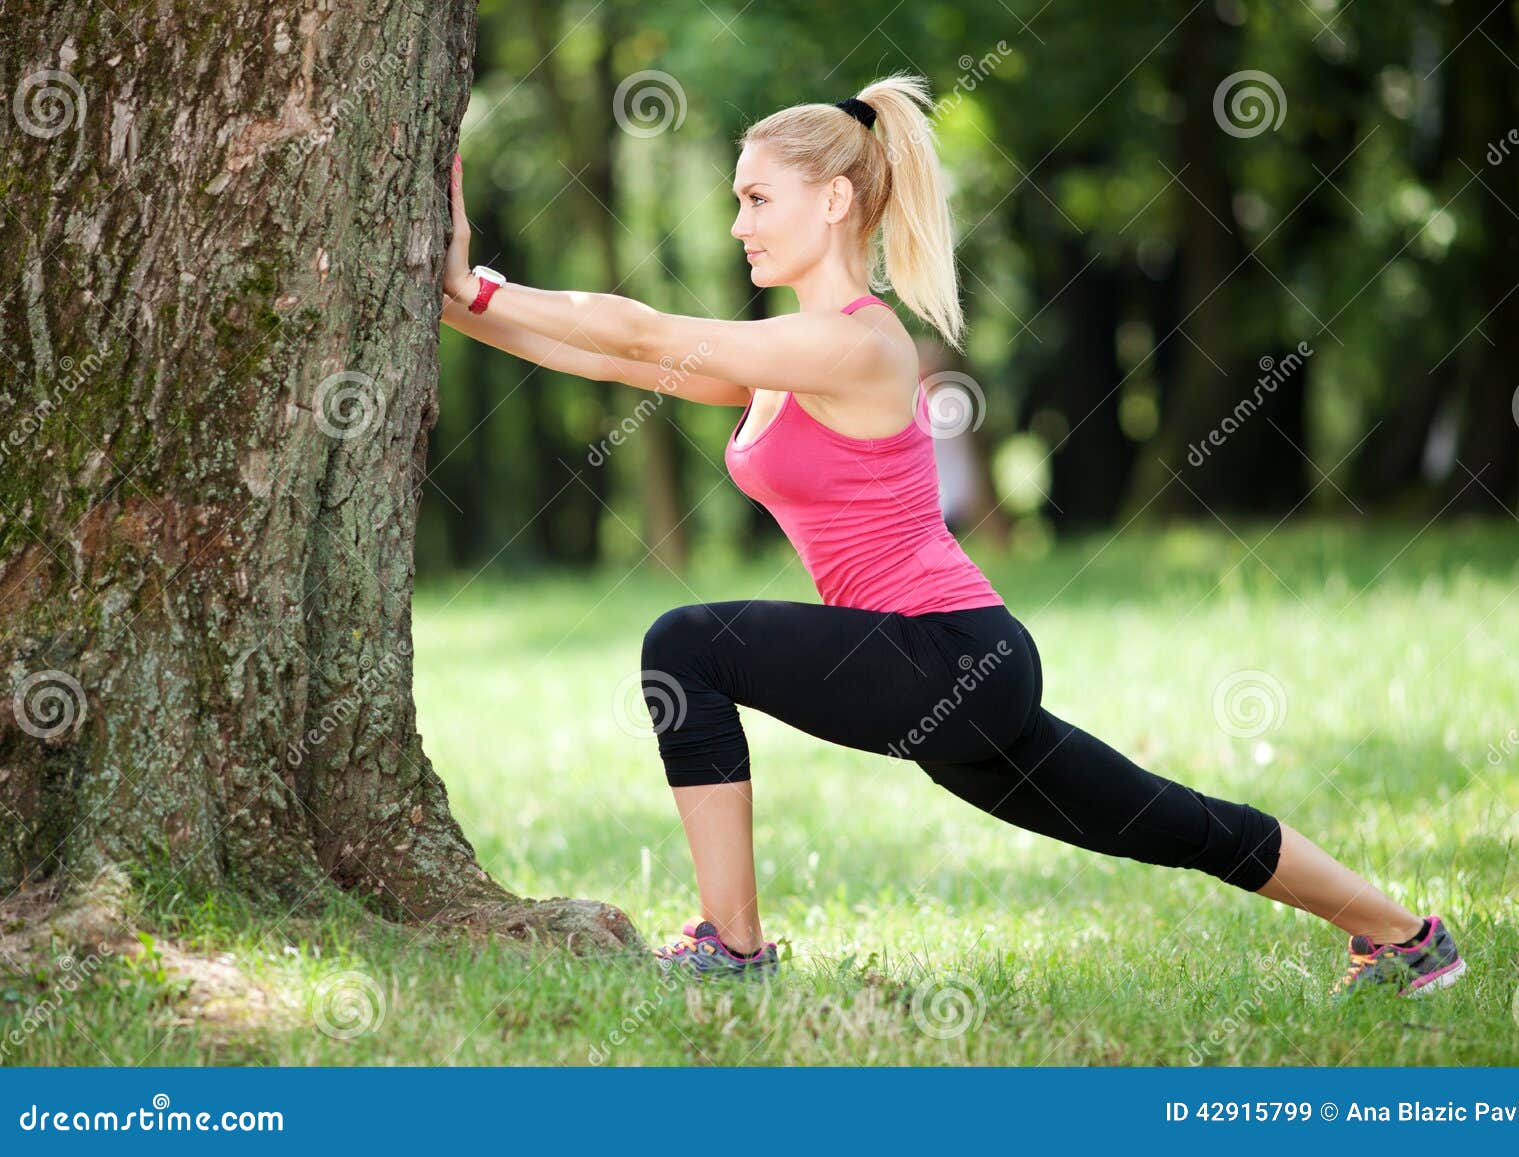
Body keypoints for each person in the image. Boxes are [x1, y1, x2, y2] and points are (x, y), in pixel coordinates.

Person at [438, 74, 1465, 997]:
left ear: (833, 200)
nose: (739, 223)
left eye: (757, 198)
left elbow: (644, 331)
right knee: (1161, 818)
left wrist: (481, 287)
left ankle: (732, 945)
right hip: (948, 665)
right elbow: (615, 361)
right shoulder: (786, 356)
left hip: (944, 653)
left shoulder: (853, 343)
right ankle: (1406, 935)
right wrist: (449, 296)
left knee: (685, 643)